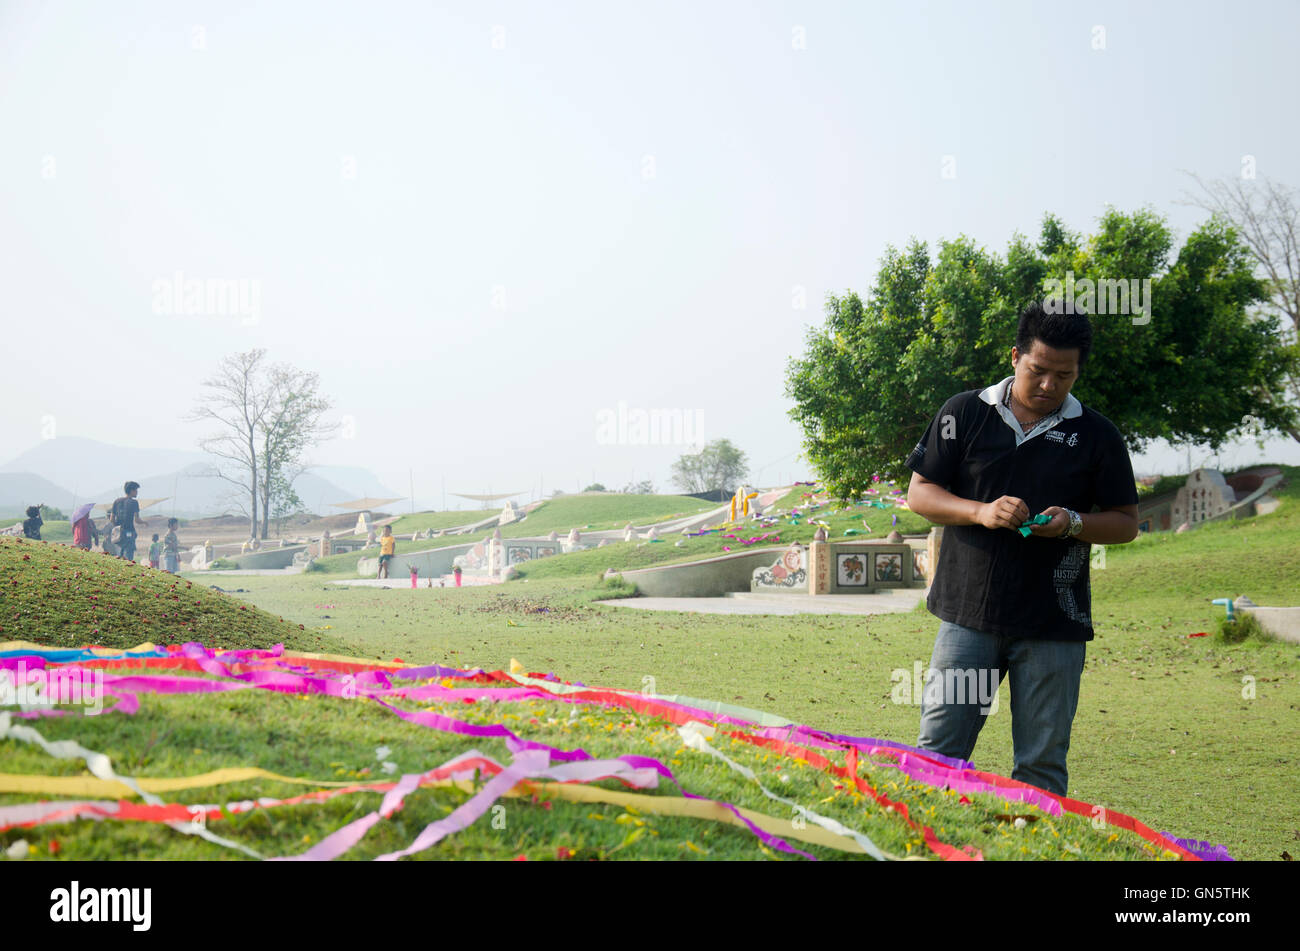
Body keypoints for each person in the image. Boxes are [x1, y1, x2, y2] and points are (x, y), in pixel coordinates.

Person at [904, 300, 1139, 797]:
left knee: (1041, 768)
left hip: (1054, 627)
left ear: (1077, 372)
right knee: (936, 757)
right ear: (1015, 357)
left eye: (1064, 375)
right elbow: (919, 493)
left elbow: (1125, 524)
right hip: (968, 617)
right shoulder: (963, 413)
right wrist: (980, 511)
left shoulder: (1098, 436)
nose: (1050, 385)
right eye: (1038, 370)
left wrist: (1073, 523)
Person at [109, 482, 148, 562]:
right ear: (131, 490)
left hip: (118, 533)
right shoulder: (134, 502)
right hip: (129, 532)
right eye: (136, 490)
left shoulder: (117, 501)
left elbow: (111, 519)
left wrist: (116, 527)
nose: (137, 492)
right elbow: (137, 520)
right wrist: (144, 522)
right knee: (128, 558)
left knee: (119, 556)